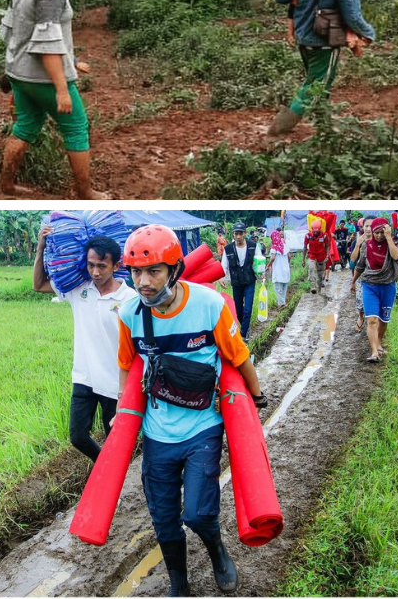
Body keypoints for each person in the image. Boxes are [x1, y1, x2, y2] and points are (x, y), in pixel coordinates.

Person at [116, 225, 267, 597]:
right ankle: (179, 584)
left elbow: (239, 356)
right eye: (136, 272)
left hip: (203, 426)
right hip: (157, 432)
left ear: (174, 269)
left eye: (153, 271)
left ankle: (217, 551)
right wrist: (124, 412)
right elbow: (126, 366)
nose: (143, 282)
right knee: (164, 517)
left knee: (198, 512)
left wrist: (256, 398)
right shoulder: (130, 313)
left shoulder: (208, 305)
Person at [0, 0, 105, 199]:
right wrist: (61, 89)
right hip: (43, 78)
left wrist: (72, 59)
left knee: (25, 125)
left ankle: (6, 185)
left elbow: (20, 26)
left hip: (18, 71)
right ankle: (86, 193)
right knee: (76, 127)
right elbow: (47, 44)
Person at [32, 227, 135, 461]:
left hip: (115, 383)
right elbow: (39, 285)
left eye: (102, 266)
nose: (95, 272)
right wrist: (40, 247)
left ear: (116, 266)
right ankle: (104, 469)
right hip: (84, 378)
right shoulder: (78, 290)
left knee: (116, 443)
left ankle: (113, 478)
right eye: (91, 265)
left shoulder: (130, 299)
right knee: (77, 436)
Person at [270, 0, 375, 136]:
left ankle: (324, 125)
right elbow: (353, 16)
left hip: (302, 36)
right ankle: (279, 128)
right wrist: (369, 33)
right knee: (315, 85)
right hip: (325, 38)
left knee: (318, 82)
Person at [351, 217, 398, 363]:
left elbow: (396, 256)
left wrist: (389, 237)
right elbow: (360, 265)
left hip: (388, 286)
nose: (379, 236)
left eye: (382, 232)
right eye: (376, 232)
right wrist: (353, 281)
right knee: (372, 319)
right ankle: (374, 352)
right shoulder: (367, 246)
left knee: (384, 319)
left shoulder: (392, 244)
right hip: (370, 285)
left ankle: (379, 343)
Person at [220, 222, 263, 341]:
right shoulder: (228, 249)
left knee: (248, 308)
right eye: (236, 234)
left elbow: (259, 261)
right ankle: (246, 327)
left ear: (245, 233)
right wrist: (221, 277)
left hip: (249, 281)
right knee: (238, 309)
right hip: (236, 282)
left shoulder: (253, 246)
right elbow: (224, 266)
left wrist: (261, 272)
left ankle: (243, 335)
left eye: (240, 234)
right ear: (233, 234)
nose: (238, 236)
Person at [302, 219, 329, 295]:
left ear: (320, 229)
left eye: (317, 231)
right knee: (311, 269)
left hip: (321, 256)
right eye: (314, 231)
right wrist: (303, 259)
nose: (315, 233)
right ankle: (313, 286)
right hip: (312, 255)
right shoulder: (308, 236)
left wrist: (327, 255)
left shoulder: (324, 236)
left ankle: (319, 290)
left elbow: (327, 246)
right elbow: (305, 247)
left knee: (320, 273)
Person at [268, 228, 290, 311]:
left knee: (277, 288)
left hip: (278, 270)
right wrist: (286, 264)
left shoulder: (274, 247)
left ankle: (282, 303)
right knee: (284, 288)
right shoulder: (284, 245)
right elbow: (289, 256)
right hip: (286, 270)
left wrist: (268, 266)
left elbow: (273, 258)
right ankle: (282, 304)